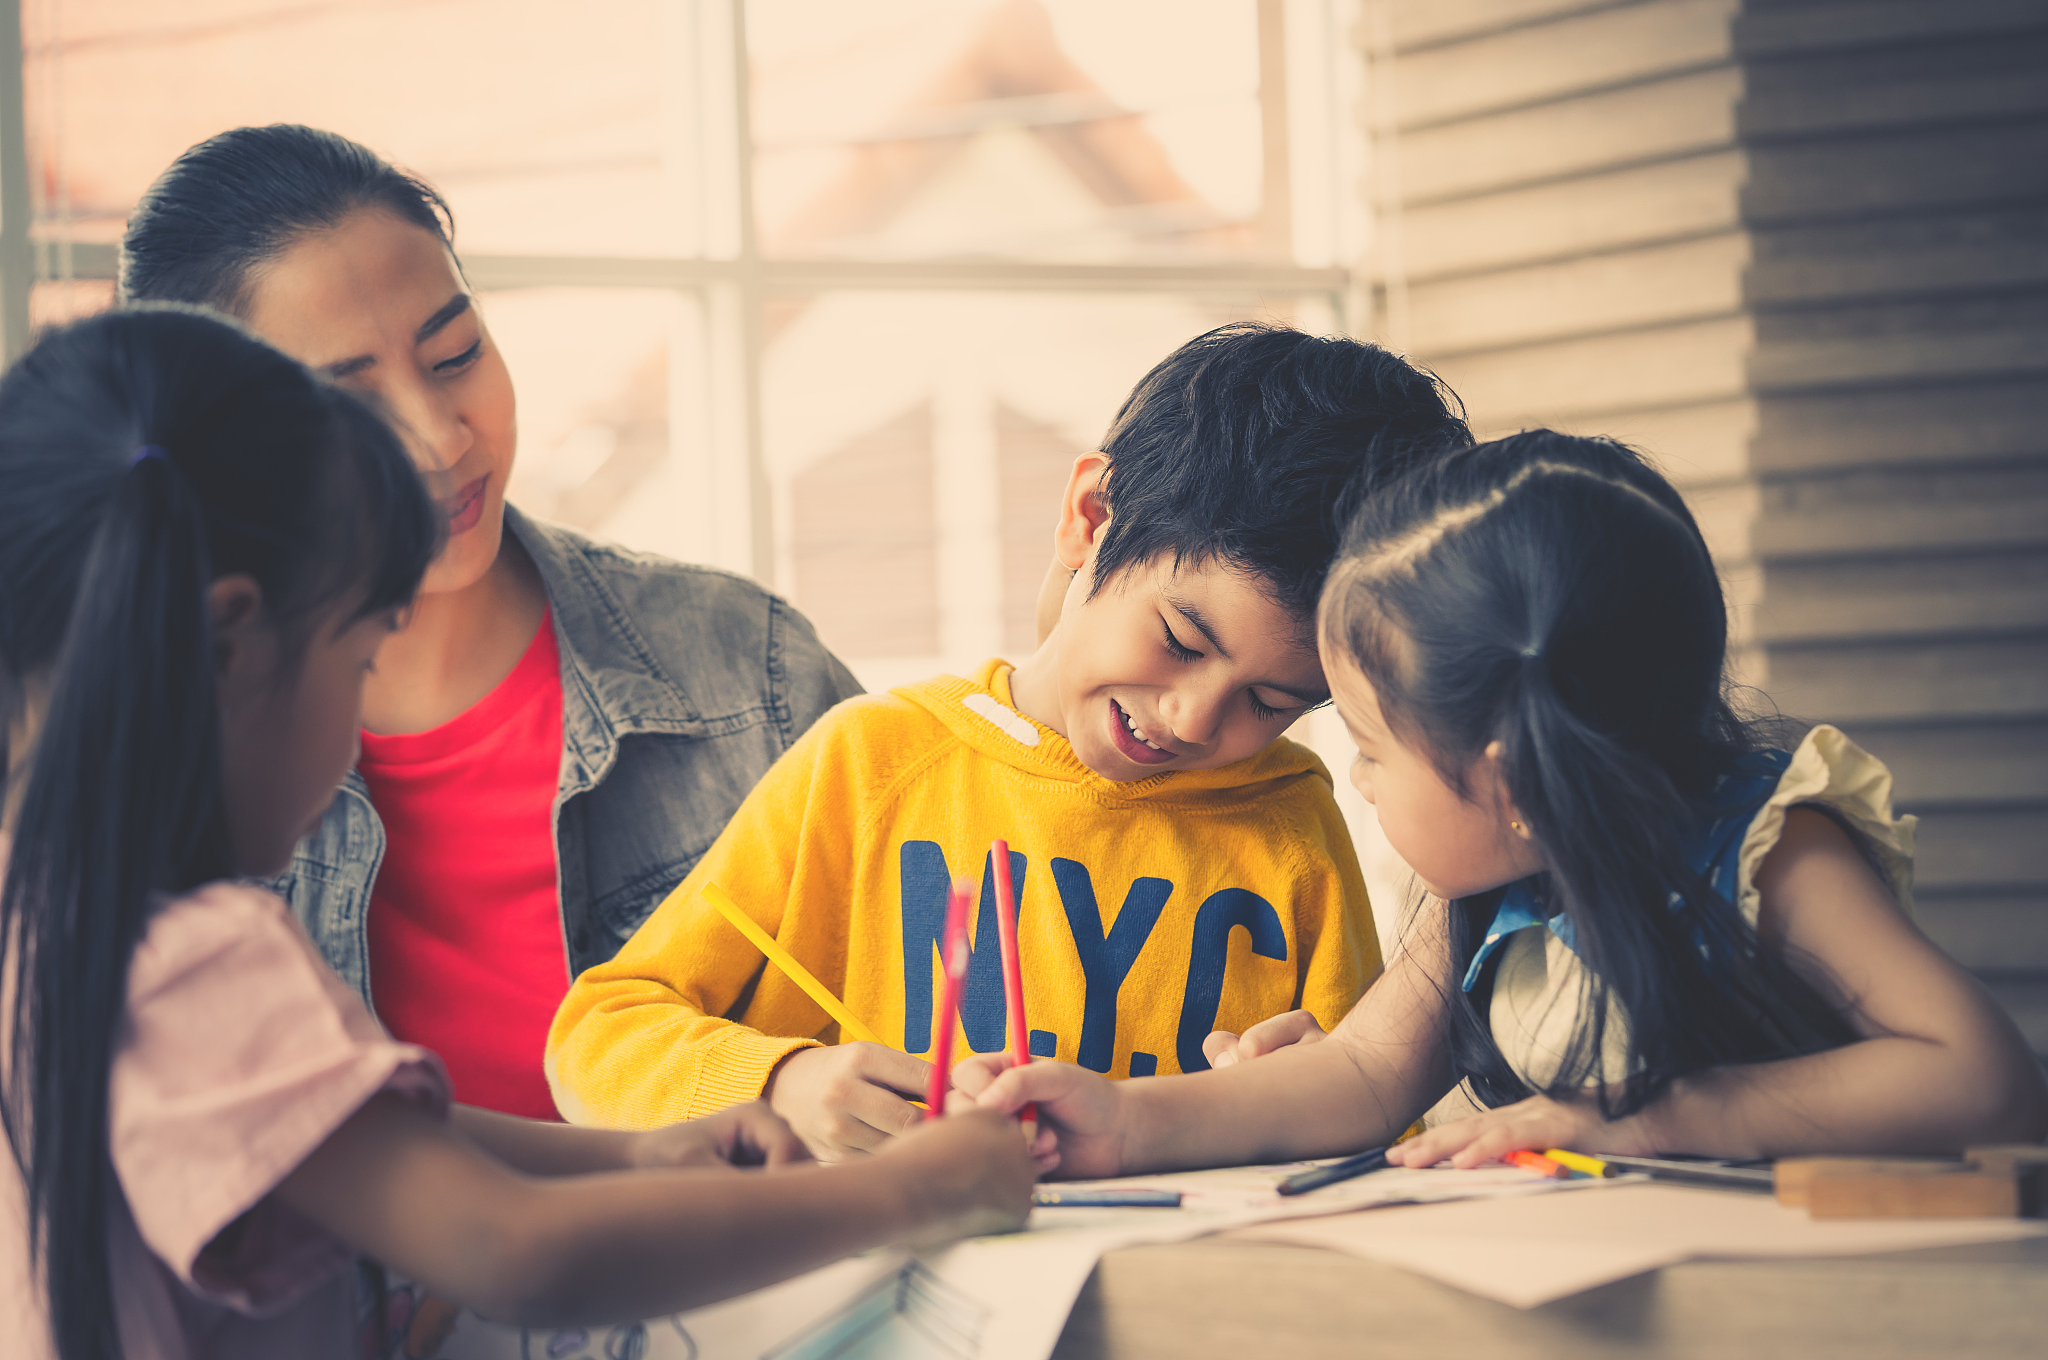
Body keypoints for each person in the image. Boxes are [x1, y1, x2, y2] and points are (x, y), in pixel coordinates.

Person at [0, 307, 1030, 1360]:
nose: (357, 726)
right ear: (230, 647)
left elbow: (348, 1132)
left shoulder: (50, 927)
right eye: (357, 663)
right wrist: (912, 1192)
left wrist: (631, 1157)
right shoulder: (199, 959)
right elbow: (509, 1252)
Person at [953, 430, 2048, 1174]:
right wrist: (1118, 1119)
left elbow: (1984, 1077)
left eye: (1372, 750)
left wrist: (1655, 1122)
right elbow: (1360, 1073)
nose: (1357, 780)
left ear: (1508, 777)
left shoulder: (1770, 848)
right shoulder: (1491, 880)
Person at [547, 323, 1473, 1160]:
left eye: (1271, 701)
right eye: (1182, 640)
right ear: (1091, 518)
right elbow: (596, 1035)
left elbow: (1381, 1117)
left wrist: (1307, 1097)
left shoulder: (1290, 822)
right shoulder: (869, 761)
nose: (1196, 718)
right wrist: (781, 1083)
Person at [119, 125, 862, 1120]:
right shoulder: (153, 767)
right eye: (351, 408)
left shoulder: (751, 675)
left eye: (455, 354)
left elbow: (936, 1037)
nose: (439, 439)